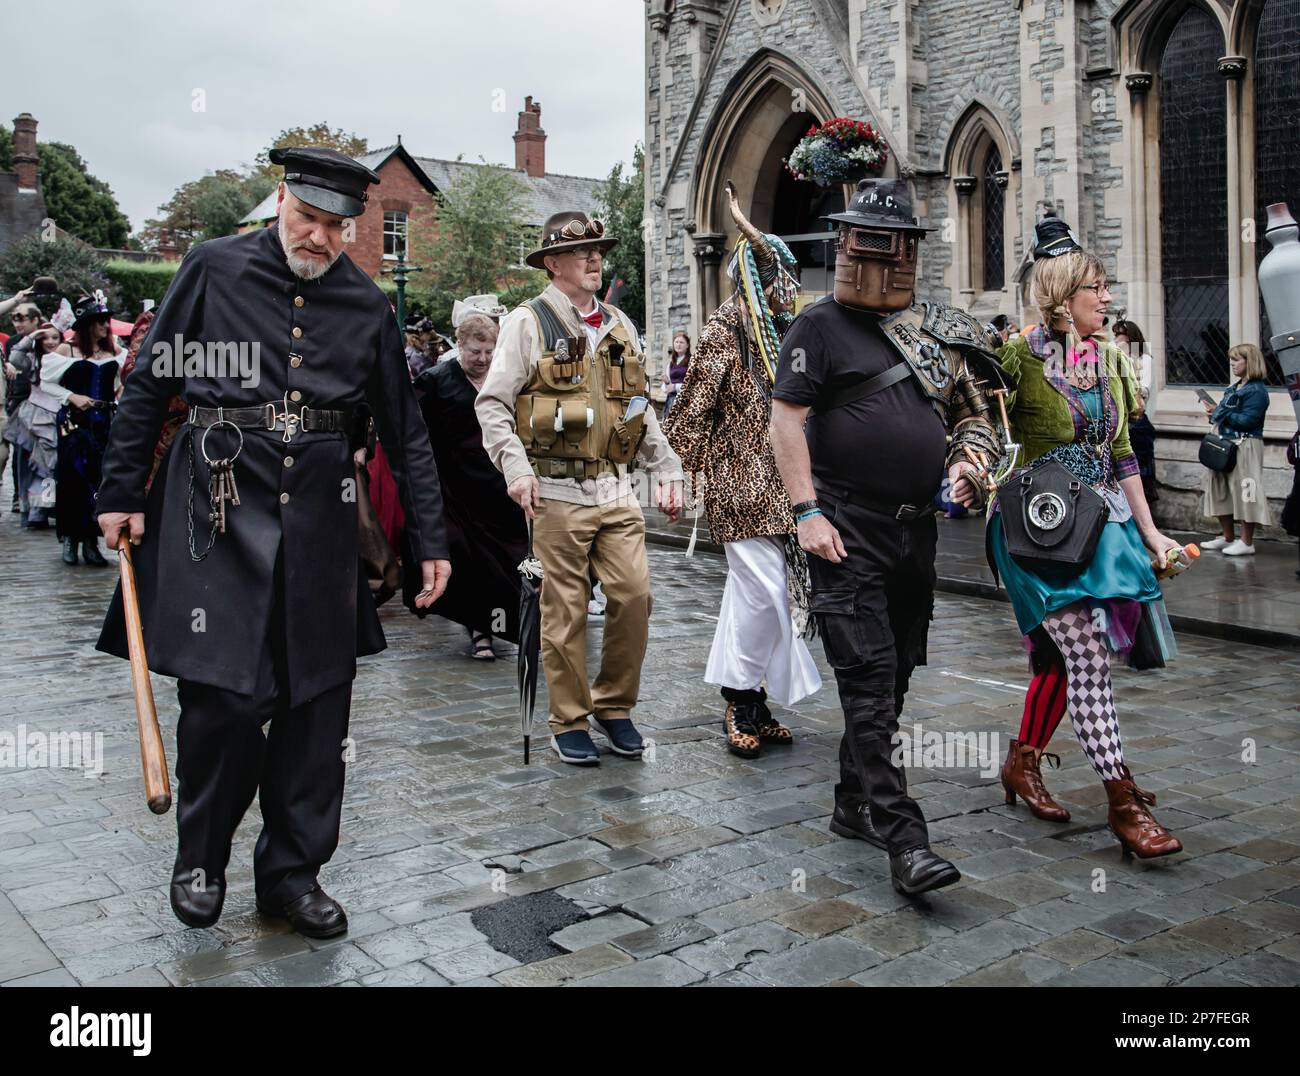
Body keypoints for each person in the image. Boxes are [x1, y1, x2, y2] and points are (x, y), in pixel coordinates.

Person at [95, 147, 451, 938]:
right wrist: (119, 493)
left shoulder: (365, 305)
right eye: (307, 219)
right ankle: (201, 856)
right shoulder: (212, 268)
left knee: (316, 706)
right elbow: (151, 382)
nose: (318, 238)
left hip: (322, 517)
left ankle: (292, 875)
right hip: (215, 506)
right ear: (281, 200)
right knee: (224, 700)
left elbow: (406, 430)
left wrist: (432, 537)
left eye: (335, 227)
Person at [770, 178, 1005, 896]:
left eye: (891, 243)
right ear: (844, 244)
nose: (874, 254)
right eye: (860, 240)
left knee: (894, 675)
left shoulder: (936, 329)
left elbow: (974, 416)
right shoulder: (817, 327)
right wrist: (807, 512)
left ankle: (853, 803)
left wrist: (968, 465)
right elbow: (785, 423)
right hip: (845, 528)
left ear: (910, 250)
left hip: (915, 534)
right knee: (867, 683)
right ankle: (906, 842)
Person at [988, 215, 1183, 859]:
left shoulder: (1107, 359)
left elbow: (1121, 454)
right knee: (1089, 657)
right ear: (1061, 295)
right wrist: (967, 467)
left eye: (1105, 287)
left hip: (1099, 528)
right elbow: (979, 427)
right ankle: (1123, 803)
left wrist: (1151, 533)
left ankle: (1022, 763)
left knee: (1062, 660)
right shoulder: (1017, 358)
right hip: (1035, 531)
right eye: (1094, 287)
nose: (1107, 297)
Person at [476, 210, 684, 765]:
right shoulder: (529, 322)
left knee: (634, 596)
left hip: (615, 490)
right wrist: (516, 470)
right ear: (553, 263)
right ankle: (568, 719)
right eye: (581, 252)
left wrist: (667, 469)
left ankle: (614, 707)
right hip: (555, 493)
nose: (595, 259)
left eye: (599, 251)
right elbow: (493, 404)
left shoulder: (620, 325)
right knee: (564, 612)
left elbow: (637, 407)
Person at [664, 183, 819, 759]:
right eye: (782, 277)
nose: (790, 288)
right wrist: (684, 477)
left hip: (786, 488)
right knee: (765, 594)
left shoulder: (782, 333)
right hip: (740, 487)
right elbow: (689, 414)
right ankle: (738, 697)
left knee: (754, 596)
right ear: (758, 277)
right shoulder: (724, 330)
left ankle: (752, 699)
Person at [409, 311, 527, 660]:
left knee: (506, 559)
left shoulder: (505, 378)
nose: (483, 359)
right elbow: (417, 435)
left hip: (498, 485)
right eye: (476, 351)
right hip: (455, 486)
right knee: (470, 559)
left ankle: (510, 622)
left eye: (490, 351)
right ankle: (480, 631)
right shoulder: (435, 381)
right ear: (459, 345)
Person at [43, 294, 125, 566]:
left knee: (97, 481)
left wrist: (119, 397)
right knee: (72, 480)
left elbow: (126, 379)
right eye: (100, 322)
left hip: (103, 424)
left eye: (106, 321)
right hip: (74, 424)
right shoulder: (67, 351)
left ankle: (91, 542)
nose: (105, 326)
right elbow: (46, 382)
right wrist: (72, 397)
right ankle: (70, 539)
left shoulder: (115, 351)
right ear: (88, 325)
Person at [1200, 343, 1273, 556]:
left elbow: (1248, 421)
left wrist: (1221, 413)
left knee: (1246, 490)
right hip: (1225, 443)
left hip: (1246, 444)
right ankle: (1227, 537)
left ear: (1250, 362)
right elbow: (1226, 414)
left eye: (1237, 359)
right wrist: (1215, 414)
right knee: (1220, 488)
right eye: (1231, 359)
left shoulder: (1257, 391)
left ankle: (1247, 541)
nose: (1232, 364)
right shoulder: (1233, 388)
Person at [6, 321, 63, 529]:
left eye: (55, 337)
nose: (50, 341)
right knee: (33, 467)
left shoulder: (68, 358)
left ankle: (49, 507)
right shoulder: (32, 359)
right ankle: (35, 511)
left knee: (53, 467)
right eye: (45, 338)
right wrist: (31, 337)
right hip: (34, 418)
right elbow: (14, 358)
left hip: (60, 417)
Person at [4, 300, 44, 512]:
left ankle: (44, 503)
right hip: (19, 401)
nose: (18, 324)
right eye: (15, 320)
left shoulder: (46, 337)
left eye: (22, 319)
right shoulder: (12, 342)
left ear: (36, 319)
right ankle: (20, 497)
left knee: (45, 458)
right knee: (20, 452)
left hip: (44, 403)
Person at [1113, 320, 1157, 505]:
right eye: (1115, 335)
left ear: (1130, 337)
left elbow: (1143, 390)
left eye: (1119, 335)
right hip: (1118, 421)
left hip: (1136, 422)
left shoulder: (1143, 359)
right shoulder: (1114, 358)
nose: (1115, 339)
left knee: (1138, 469)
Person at [441, 294, 507, 367]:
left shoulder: (506, 355)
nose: (493, 327)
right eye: (484, 321)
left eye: (496, 321)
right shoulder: (449, 360)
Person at [661, 329, 690, 420]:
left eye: (681, 342)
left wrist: (674, 387)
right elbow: (666, 388)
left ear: (687, 345)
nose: (678, 344)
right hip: (671, 402)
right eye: (676, 342)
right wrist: (666, 382)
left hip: (686, 402)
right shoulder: (671, 363)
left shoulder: (692, 362)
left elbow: (693, 384)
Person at [404, 316, 435, 380]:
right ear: (419, 334)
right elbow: (430, 381)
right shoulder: (417, 357)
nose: (429, 336)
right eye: (427, 333)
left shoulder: (408, 353)